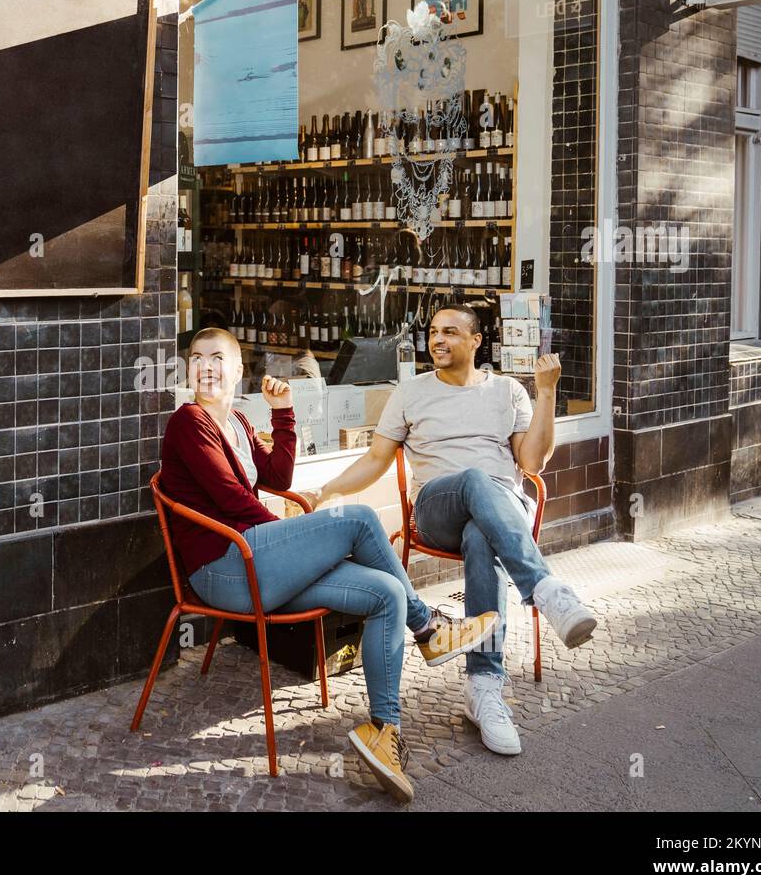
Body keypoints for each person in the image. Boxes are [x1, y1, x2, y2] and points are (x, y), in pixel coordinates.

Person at [159, 327, 498, 802]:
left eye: (217, 357)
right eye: (196, 358)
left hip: (261, 562)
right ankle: (429, 630)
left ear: (239, 370)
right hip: (224, 570)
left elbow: (278, 476)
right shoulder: (189, 422)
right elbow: (233, 503)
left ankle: (385, 729)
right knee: (356, 519)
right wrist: (310, 539)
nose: (206, 366)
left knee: (388, 593)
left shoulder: (234, 420)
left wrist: (283, 414)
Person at [300, 303, 599, 756]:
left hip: (500, 510)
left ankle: (484, 688)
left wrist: (546, 393)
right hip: (437, 508)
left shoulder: (507, 391)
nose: (438, 340)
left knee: (483, 537)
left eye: (451, 332)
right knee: (477, 479)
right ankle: (545, 589)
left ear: (477, 341)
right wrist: (328, 489)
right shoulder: (412, 392)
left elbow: (532, 463)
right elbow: (377, 459)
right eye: (435, 332)